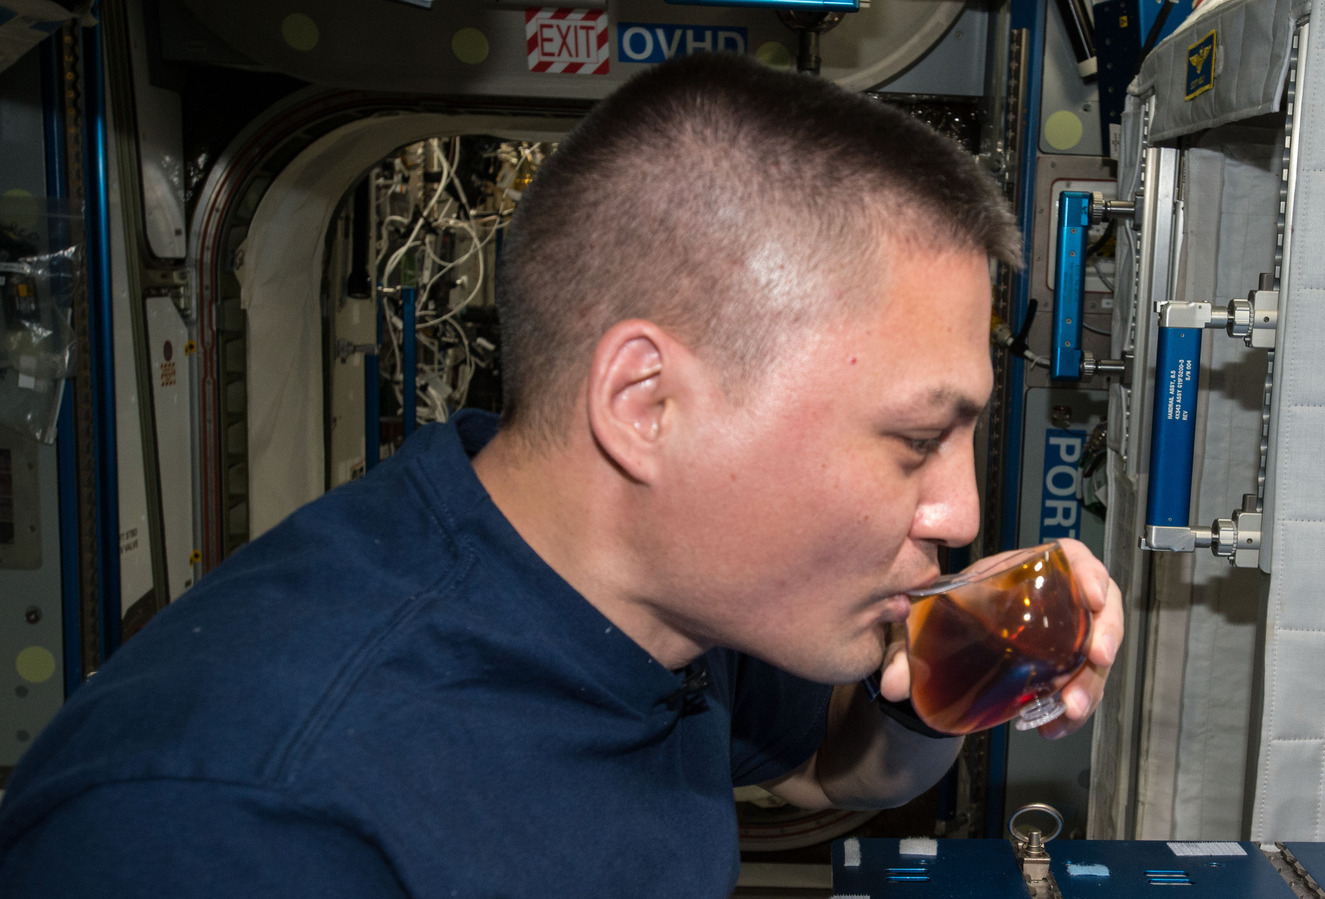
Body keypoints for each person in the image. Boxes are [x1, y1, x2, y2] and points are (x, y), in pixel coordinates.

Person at [0, 52, 1123, 896]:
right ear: (647, 405)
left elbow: (834, 773)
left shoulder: (662, 593)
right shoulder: (232, 824)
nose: (962, 511)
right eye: (916, 438)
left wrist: (955, 671)